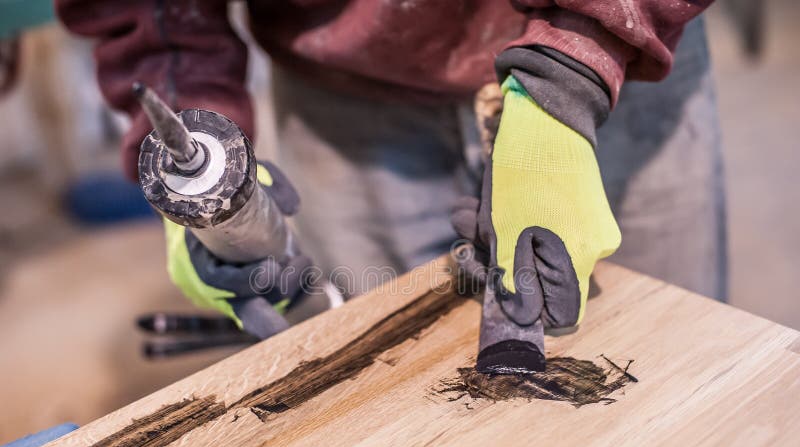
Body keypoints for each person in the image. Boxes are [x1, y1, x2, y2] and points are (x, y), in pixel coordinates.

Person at [56, 1, 724, 356]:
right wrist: (192, 140)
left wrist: (573, 75)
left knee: (668, 387)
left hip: (622, 58)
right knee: (407, 422)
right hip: (346, 97)